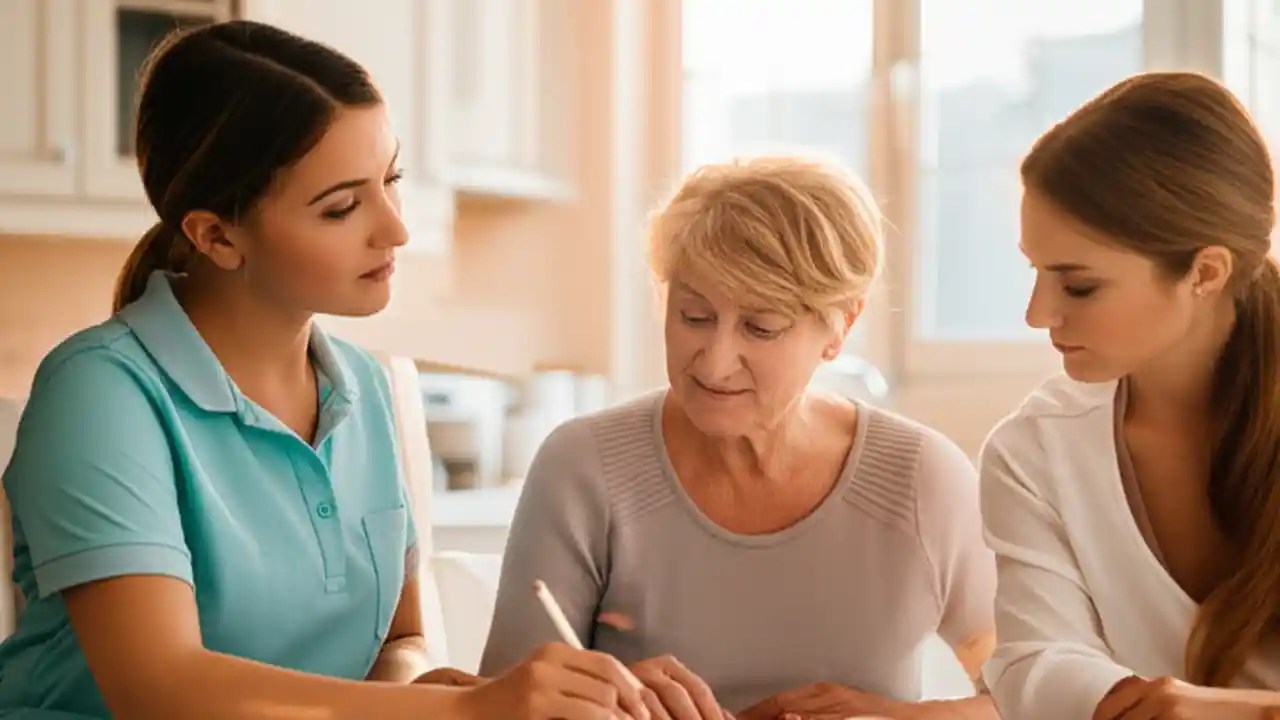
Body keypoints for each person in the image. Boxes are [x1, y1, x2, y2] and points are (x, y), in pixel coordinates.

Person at [0, 20, 647, 720]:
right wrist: (465, 713)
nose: (395, 227)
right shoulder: (101, 394)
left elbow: (398, 640)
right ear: (216, 234)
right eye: (341, 207)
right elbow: (162, 688)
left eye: (390, 179)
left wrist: (427, 689)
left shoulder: (365, 390)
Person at [480, 157, 999, 719]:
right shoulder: (584, 468)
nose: (716, 361)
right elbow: (503, 707)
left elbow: (1032, 697)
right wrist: (613, 702)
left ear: (840, 327)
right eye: (694, 316)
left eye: (761, 327)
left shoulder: (922, 479)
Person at [980, 71, 1280, 720]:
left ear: (1205, 273)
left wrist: (1235, 712)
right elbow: (1034, 662)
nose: (1038, 314)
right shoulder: (1034, 451)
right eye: (1037, 271)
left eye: (1079, 286)